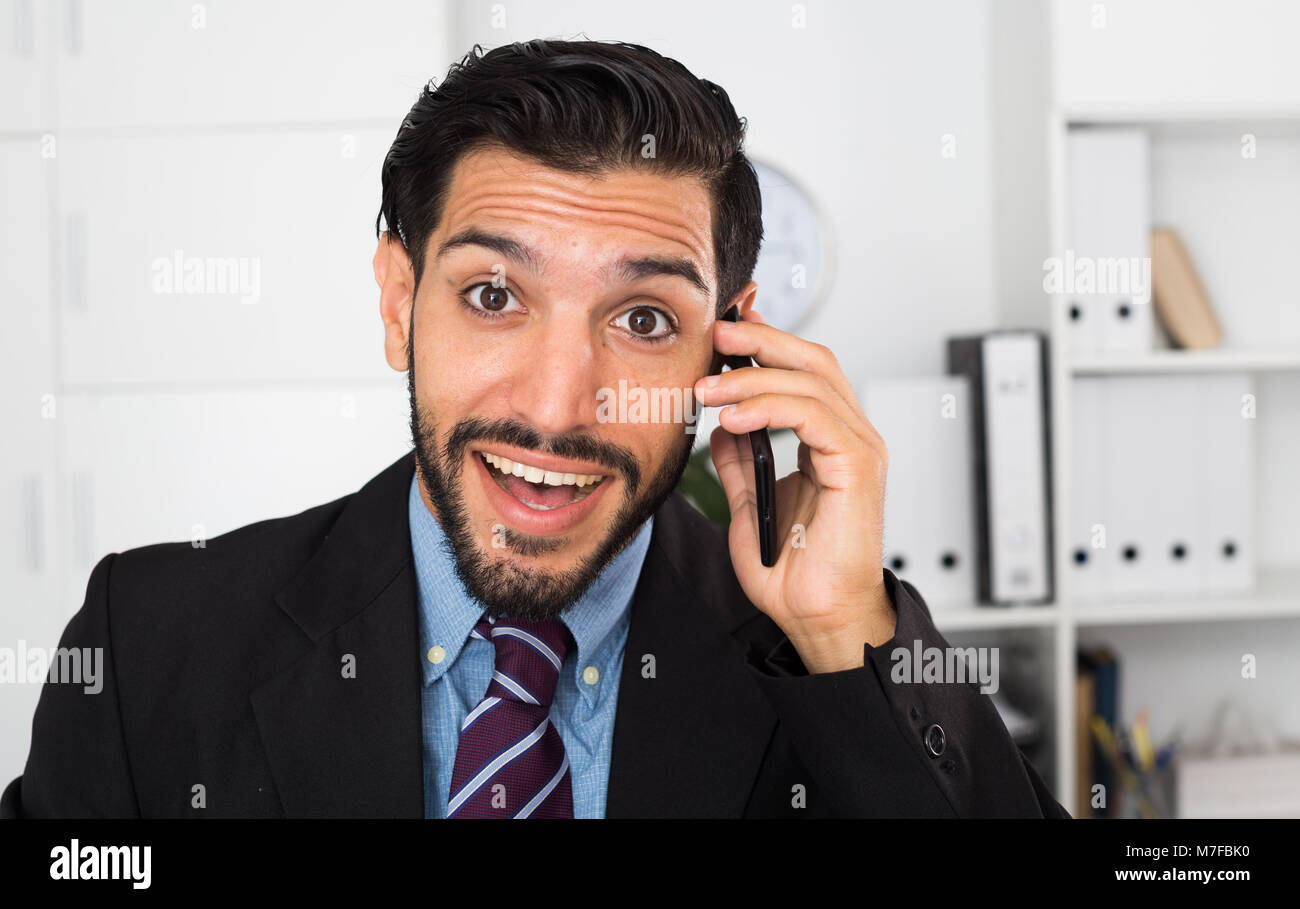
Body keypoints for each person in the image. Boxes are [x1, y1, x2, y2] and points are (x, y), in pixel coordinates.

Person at [2, 39, 1068, 818]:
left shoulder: (826, 665)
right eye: (492, 297)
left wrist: (845, 634)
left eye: (644, 318)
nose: (559, 409)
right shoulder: (148, 646)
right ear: (397, 302)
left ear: (728, 349)